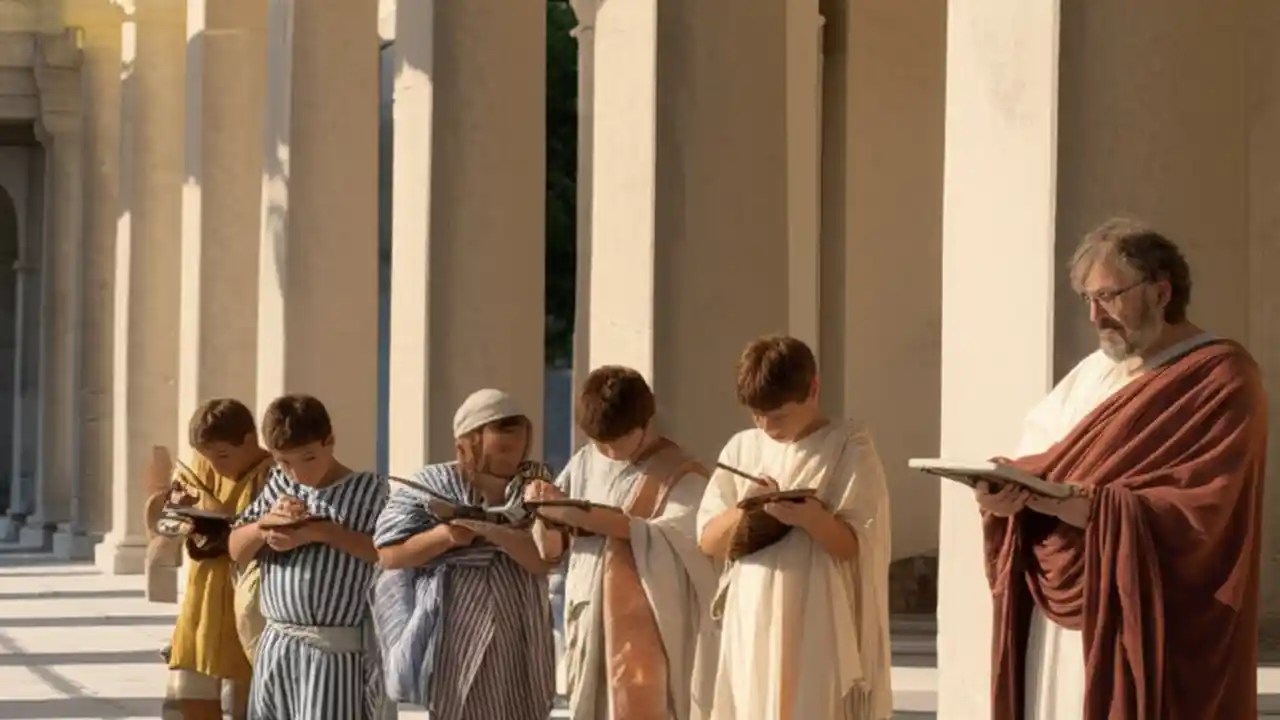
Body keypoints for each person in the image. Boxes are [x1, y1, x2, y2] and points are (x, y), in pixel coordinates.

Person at [977, 218, 1268, 719]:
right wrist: (1001, 496)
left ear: (1161, 291)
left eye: (1109, 297)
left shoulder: (1221, 378)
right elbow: (1040, 459)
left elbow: (1206, 510)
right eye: (1087, 300)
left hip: (1143, 612)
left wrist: (1092, 508)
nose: (1095, 316)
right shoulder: (1092, 373)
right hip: (1062, 608)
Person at [696, 335, 893, 720]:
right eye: (758, 415)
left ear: (813, 389)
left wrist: (811, 518)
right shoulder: (742, 448)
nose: (767, 426)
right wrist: (746, 507)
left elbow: (857, 546)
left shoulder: (847, 445)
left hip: (816, 619)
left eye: (780, 415)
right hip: (752, 615)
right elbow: (708, 540)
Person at [525, 366, 721, 720]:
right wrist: (544, 511)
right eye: (600, 441)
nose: (609, 450)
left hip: (645, 631)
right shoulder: (586, 461)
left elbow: (680, 543)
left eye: (618, 439)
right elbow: (553, 548)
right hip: (588, 617)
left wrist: (575, 513)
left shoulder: (678, 473)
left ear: (645, 421)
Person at [371, 388, 556, 720]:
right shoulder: (431, 483)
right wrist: (447, 536)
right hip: (457, 624)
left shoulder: (537, 484)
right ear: (470, 442)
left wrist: (495, 531)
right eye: (502, 447)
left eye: (518, 445)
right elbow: (389, 554)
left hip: (522, 618)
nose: (511, 458)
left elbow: (543, 559)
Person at [228, 394, 389, 720]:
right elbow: (235, 548)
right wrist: (264, 528)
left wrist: (320, 532)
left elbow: (386, 553)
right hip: (277, 647)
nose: (298, 473)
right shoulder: (278, 486)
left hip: (334, 653)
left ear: (330, 441)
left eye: (308, 458)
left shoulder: (371, 491)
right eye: (284, 462)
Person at [157, 399, 274, 720]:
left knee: (245, 700)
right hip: (202, 603)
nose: (216, 466)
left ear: (249, 440)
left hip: (248, 604)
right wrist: (178, 509)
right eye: (207, 457)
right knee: (191, 696)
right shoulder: (200, 470)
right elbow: (166, 525)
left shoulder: (272, 474)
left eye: (223, 455)